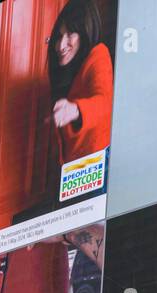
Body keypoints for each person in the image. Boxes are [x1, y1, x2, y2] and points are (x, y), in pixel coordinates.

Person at [46, 0, 113, 174]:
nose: (61, 45)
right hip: (74, 174)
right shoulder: (65, 72)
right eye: (59, 36)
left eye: (70, 34)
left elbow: (106, 102)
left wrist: (75, 110)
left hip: (96, 169)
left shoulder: (98, 54)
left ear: (84, 33)